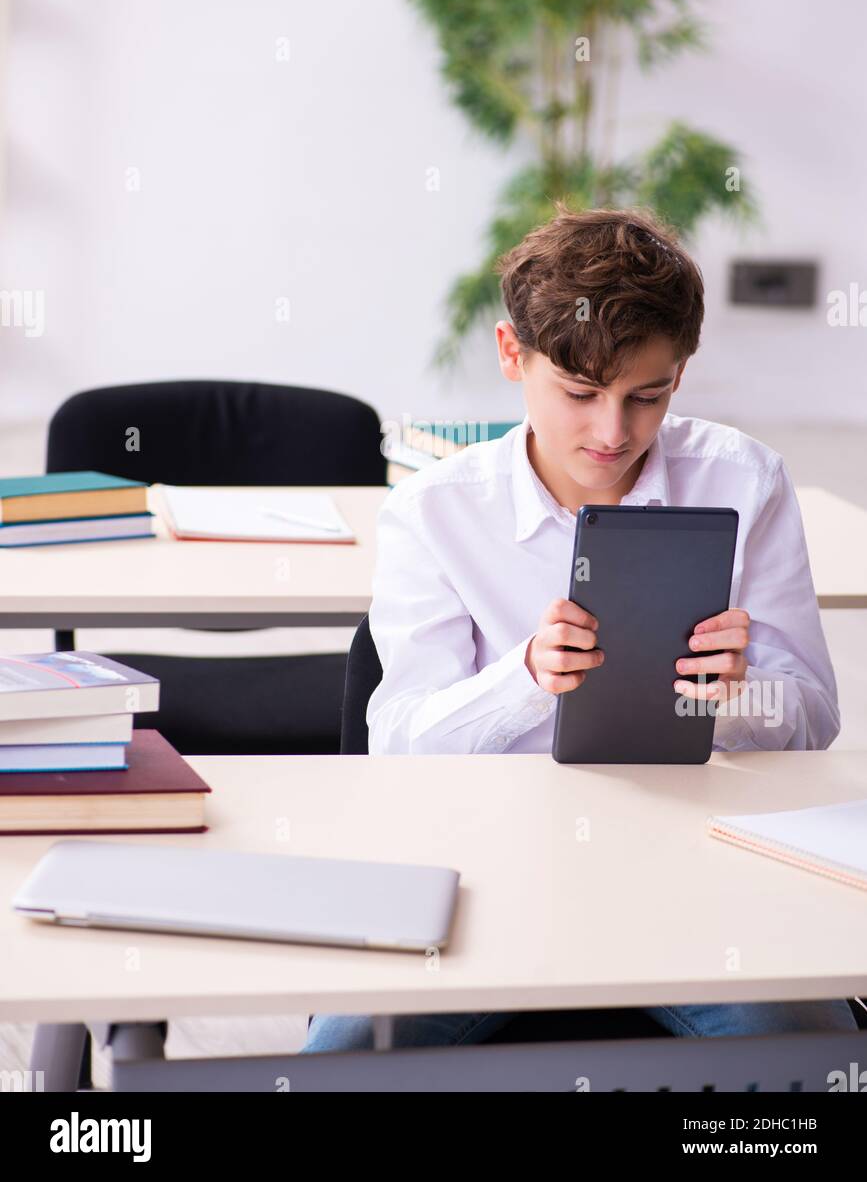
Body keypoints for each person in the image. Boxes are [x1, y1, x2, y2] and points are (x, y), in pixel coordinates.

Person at [302, 206, 858, 1053]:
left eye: (648, 395)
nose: (613, 433)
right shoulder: (435, 511)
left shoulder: (744, 480)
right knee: (341, 1060)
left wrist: (740, 695)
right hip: (487, 877)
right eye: (578, 393)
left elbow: (813, 716)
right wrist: (524, 675)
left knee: (815, 1060)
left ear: (681, 370)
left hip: (699, 870)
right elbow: (397, 745)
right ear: (508, 355)